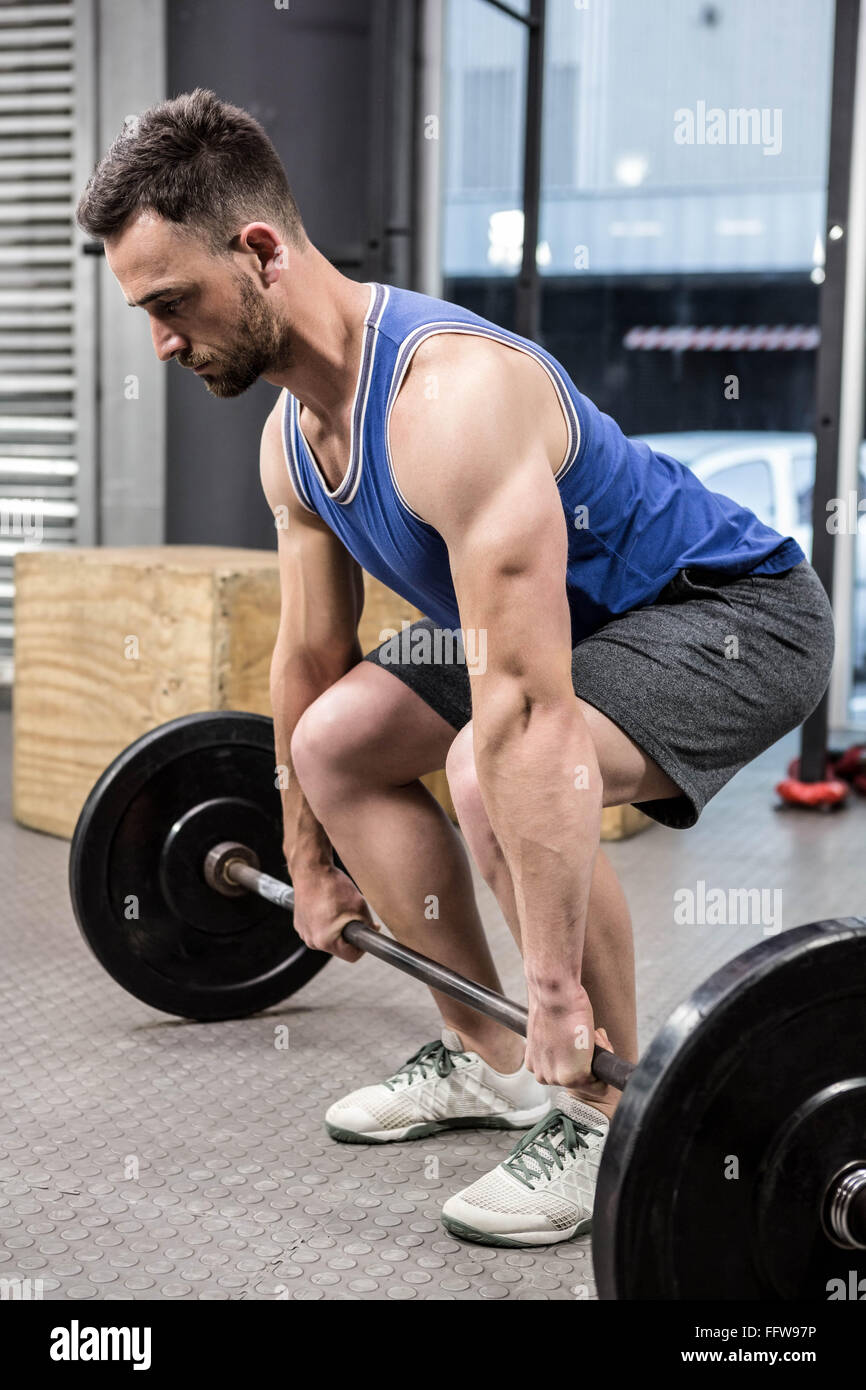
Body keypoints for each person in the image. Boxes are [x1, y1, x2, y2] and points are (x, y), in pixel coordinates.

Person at [77, 89, 834, 1248]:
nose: (162, 343)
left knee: (494, 762)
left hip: (730, 610)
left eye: (171, 303)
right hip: (567, 632)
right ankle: (491, 1066)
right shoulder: (294, 440)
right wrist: (303, 856)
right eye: (146, 312)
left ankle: (595, 1113)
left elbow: (526, 713)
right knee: (334, 741)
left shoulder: (451, 400)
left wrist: (556, 994)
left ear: (261, 250)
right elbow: (311, 657)